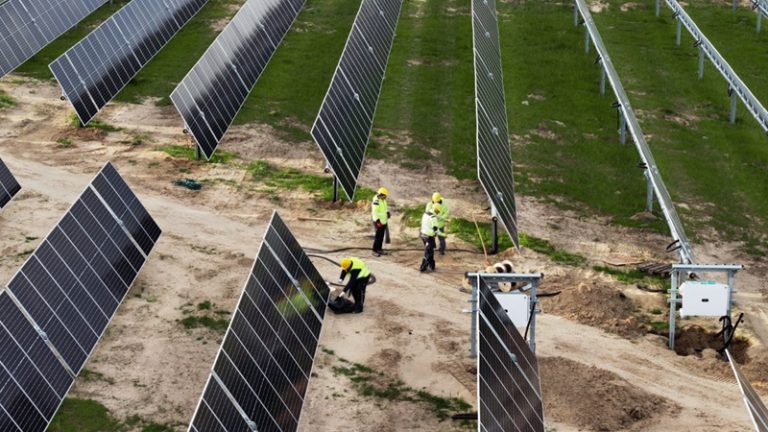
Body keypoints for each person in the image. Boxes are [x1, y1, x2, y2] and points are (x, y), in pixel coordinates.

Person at [420, 203, 442, 272]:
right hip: (429, 237)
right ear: (436, 210)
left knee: (430, 250)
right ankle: (423, 267)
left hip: (423, 235)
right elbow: (435, 228)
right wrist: (441, 234)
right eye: (438, 211)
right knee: (428, 252)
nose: (438, 213)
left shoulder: (425, 214)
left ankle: (432, 265)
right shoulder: (433, 217)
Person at [371, 187, 389, 256]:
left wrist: (387, 212)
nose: (386, 197)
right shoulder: (376, 201)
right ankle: (374, 250)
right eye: (385, 195)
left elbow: (385, 208)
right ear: (381, 194)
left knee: (381, 236)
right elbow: (374, 212)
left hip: (383, 221)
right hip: (378, 222)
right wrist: (377, 221)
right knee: (378, 236)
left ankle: (379, 249)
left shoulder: (383, 200)